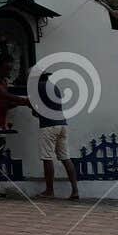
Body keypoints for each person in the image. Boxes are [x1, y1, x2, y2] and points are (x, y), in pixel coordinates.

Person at [34, 67, 80, 200]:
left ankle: (49, 191)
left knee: (47, 157)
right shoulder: (54, 87)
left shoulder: (38, 88)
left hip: (48, 126)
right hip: (62, 124)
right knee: (66, 158)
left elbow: (32, 106)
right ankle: (75, 190)